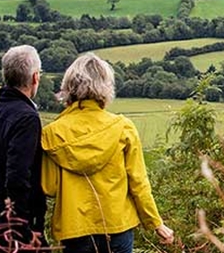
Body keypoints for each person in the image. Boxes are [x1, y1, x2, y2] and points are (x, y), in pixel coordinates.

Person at [41, 53, 174, 252]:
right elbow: (138, 183)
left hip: (75, 230)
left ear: (68, 87)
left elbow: (49, 187)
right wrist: (156, 223)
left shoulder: (52, 133)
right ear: (106, 87)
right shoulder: (123, 128)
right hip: (117, 226)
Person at [0, 45, 48, 251]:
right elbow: (17, 177)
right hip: (15, 228)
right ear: (35, 78)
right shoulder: (27, 118)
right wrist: (23, 227)